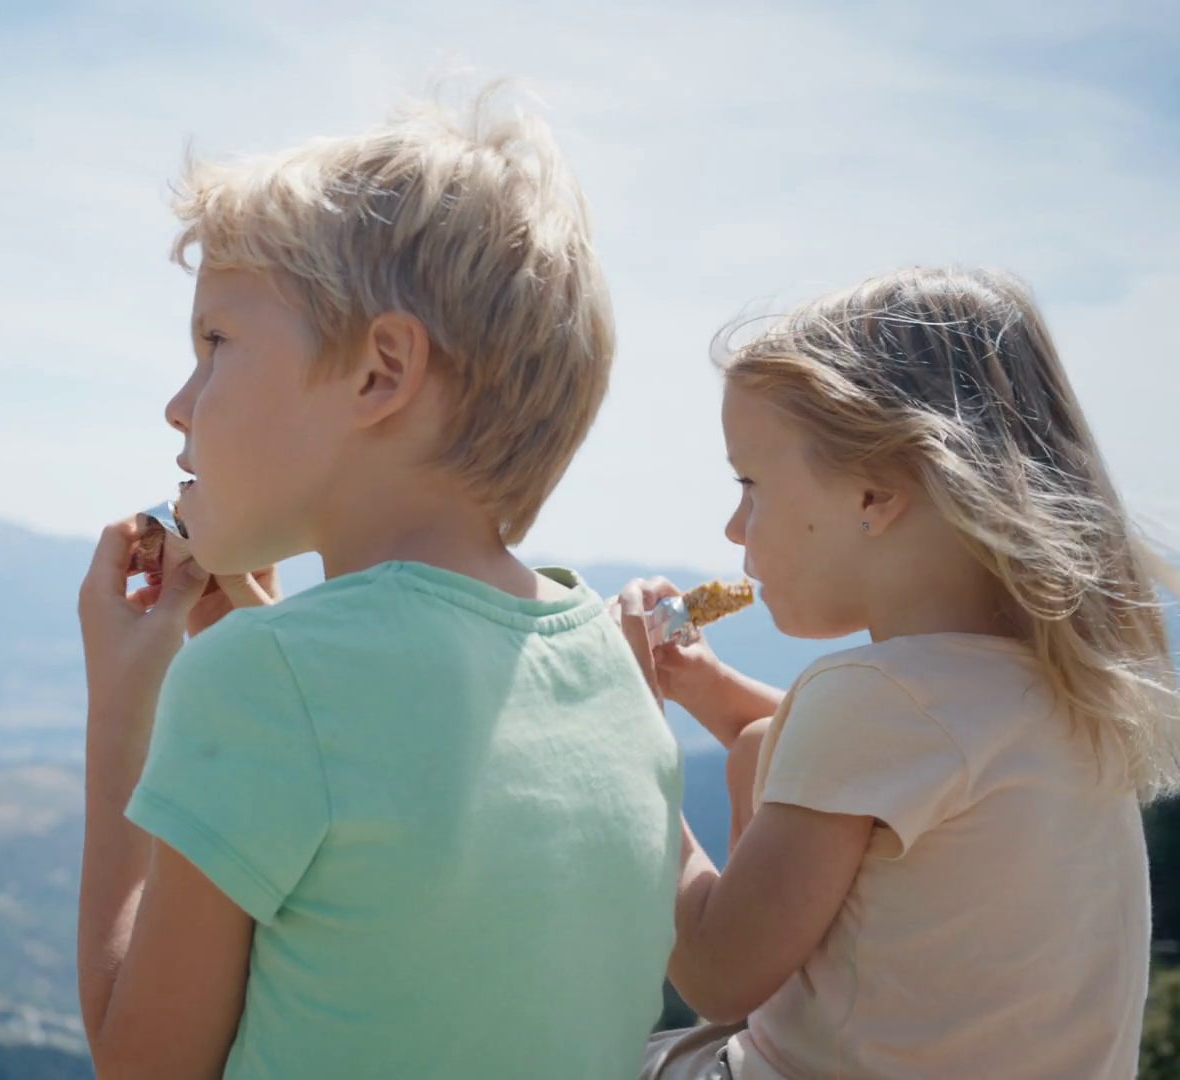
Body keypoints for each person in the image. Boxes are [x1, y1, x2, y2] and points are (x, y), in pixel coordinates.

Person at [74, 88, 682, 1079]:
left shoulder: (261, 680)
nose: (178, 405)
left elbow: (142, 1064)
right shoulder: (609, 668)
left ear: (380, 371)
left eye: (215, 344)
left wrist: (120, 719)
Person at [622, 267, 1180, 1079]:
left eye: (751, 484)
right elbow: (869, 778)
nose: (734, 525)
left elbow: (716, 973)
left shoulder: (872, 699)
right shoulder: (1058, 688)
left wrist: (628, 736)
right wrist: (705, 687)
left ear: (876, 492)